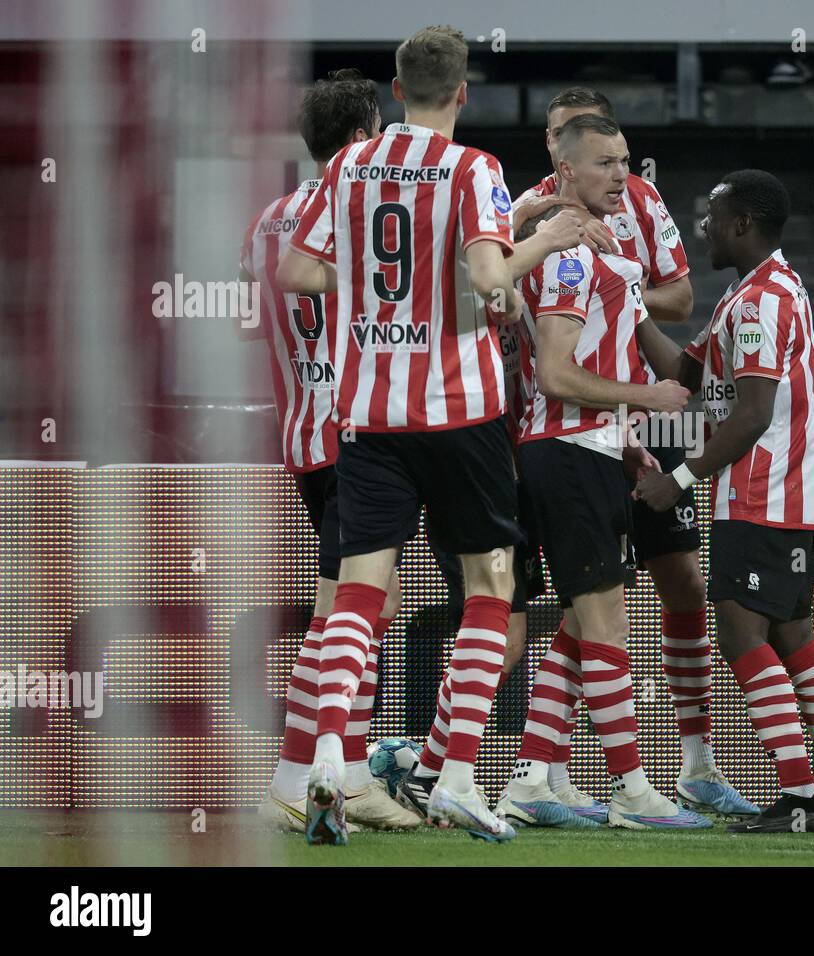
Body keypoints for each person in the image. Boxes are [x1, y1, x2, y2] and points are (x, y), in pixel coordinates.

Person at [277, 25, 560, 844]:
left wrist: (367, 284)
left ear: (396, 91)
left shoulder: (348, 165)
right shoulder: (475, 169)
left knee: (357, 595)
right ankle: (460, 777)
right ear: (462, 94)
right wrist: (543, 238)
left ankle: (330, 761)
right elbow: (486, 277)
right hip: (460, 415)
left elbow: (296, 272)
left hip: (367, 417)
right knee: (489, 586)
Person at [506, 88, 756, 820]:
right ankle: (634, 790)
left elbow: (645, 323)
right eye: (605, 163)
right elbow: (554, 371)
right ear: (563, 167)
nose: (622, 174)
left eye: (624, 160)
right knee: (600, 619)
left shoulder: (606, 241)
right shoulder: (566, 251)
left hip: (597, 445)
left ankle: (529, 779)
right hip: (564, 444)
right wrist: (644, 401)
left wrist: (629, 440)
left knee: (588, 620)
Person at [633, 170, 814, 833]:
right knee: (795, 636)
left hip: (762, 492)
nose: (704, 227)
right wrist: (629, 305)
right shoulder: (754, 292)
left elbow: (752, 414)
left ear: (743, 225)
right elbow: (685, 371)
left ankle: (797, 801)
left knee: (741, 633)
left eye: (713, 216)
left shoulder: (763, 300)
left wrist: (676, 481)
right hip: (790, 493)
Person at [239, 69, 418, 833]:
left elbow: (260, 330)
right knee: (350, 611)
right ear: (356, 139)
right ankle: (316, 776)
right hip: (357, 433)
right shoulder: (363, 210)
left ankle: (323, 773)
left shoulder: (266, 222)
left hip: (303, 435)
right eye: (376, 131)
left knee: (348, 607)